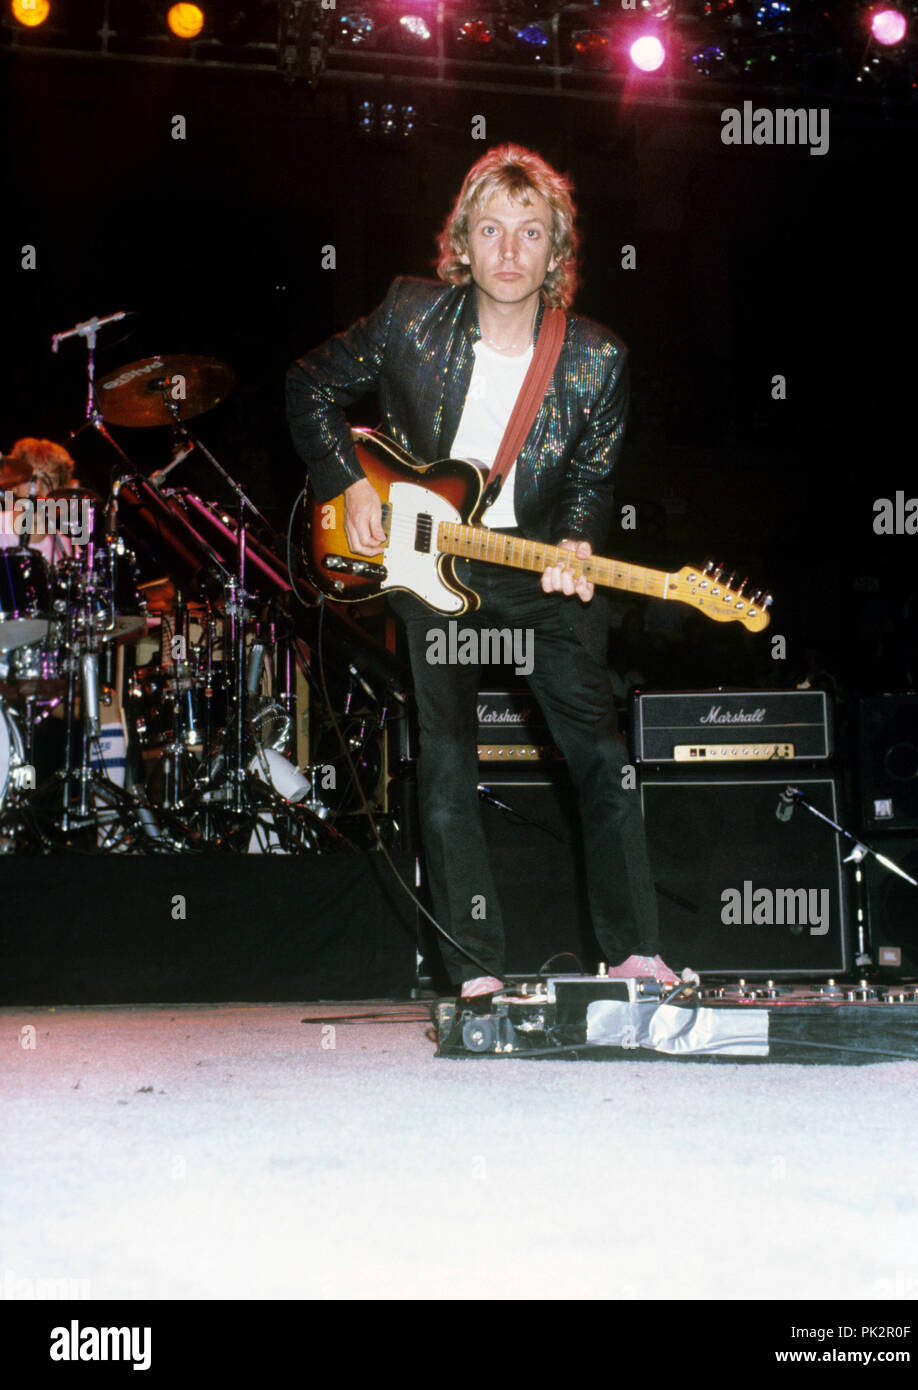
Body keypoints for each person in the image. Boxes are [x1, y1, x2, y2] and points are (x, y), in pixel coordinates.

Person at [286, 143, 680, 998]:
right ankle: (473, 969)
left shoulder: (595, 360)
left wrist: (578, 540)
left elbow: (588, 478)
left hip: (533, 576)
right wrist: (344, 481)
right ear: (460, 243)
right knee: (449, 757)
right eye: (491, 231)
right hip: (436, 570)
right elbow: (308, 385)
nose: (509, 252)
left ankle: (637, 954)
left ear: (557, 251)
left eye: (529, 233)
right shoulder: (408, 318)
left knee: (602, 758)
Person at [0, 437, 77, 566]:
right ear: (13, 484)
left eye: (47, 481)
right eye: (30, 479)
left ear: (59, 493)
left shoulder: (67, 551)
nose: (37, 489)